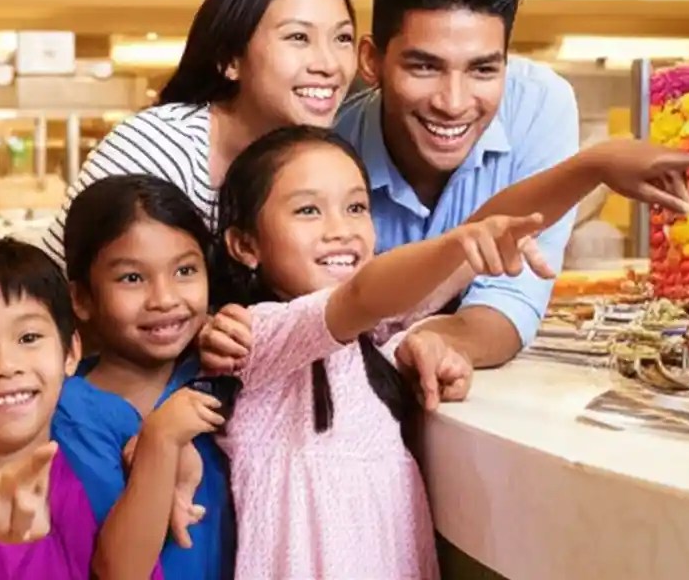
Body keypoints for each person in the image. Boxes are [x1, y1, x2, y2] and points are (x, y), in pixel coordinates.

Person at [209, 125, 551, 579]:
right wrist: (455, 242)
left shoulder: (373, 337)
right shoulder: (255, 335)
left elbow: (463, 261)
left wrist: (437, 352)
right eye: (309, 210)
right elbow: (362, 297)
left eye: (356, 207)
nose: (341, 230)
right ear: (245, 245)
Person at [0, 236, 217, 580]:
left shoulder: (94, 476)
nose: (6, 365)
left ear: (70, 353)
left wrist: (161, 451)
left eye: (29, 338)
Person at [333, 0, 584, 369]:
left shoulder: (540, 105)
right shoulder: (327, 141)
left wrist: (435, 343)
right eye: (425, 66)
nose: (453, 103)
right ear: (372, 62)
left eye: (483, 70)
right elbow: (315, 313)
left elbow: (510, 299)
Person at [42, 0, 358, 265]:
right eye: (298, 38)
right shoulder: (160, 146)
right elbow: (57, 291)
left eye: (343, 38)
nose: (330, 64)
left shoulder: (330, 156)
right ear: (230, 59)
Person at [52, 175, 235, 580]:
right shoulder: (74, 413)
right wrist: (161, 439)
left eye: (185, 270)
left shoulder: (216, 371)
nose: (165, 299)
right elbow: (118, 569)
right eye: (132, 278)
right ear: (81, 298)